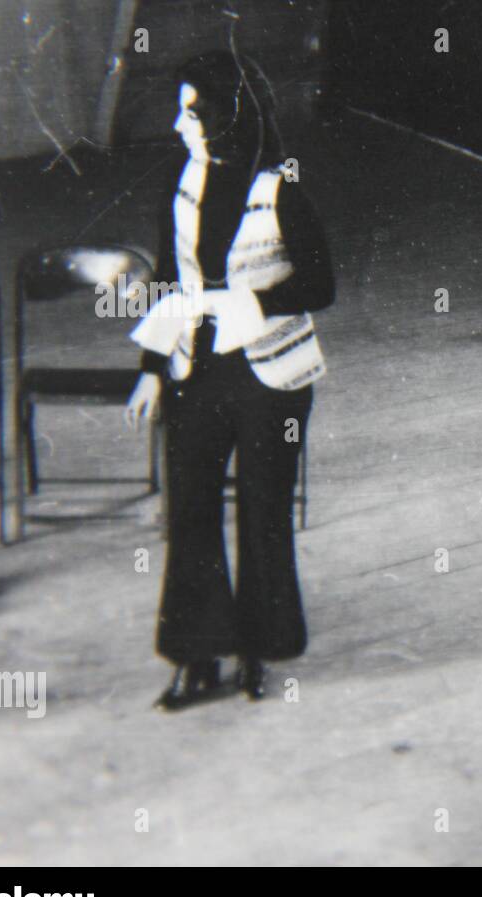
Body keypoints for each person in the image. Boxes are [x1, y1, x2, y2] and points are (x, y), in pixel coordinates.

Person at [125, 50, 334, 710]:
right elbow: (166, 274)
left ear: (224, 117)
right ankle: (196, 652)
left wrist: (253, 305)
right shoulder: (182, 182)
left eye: (191, 111)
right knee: (189, 510)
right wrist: (152, 371)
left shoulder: (280, 190)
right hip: (195, 367)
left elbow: (320, 283)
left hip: (270, 376)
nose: (179, 123)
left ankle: (257, 647)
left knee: (264, 513)